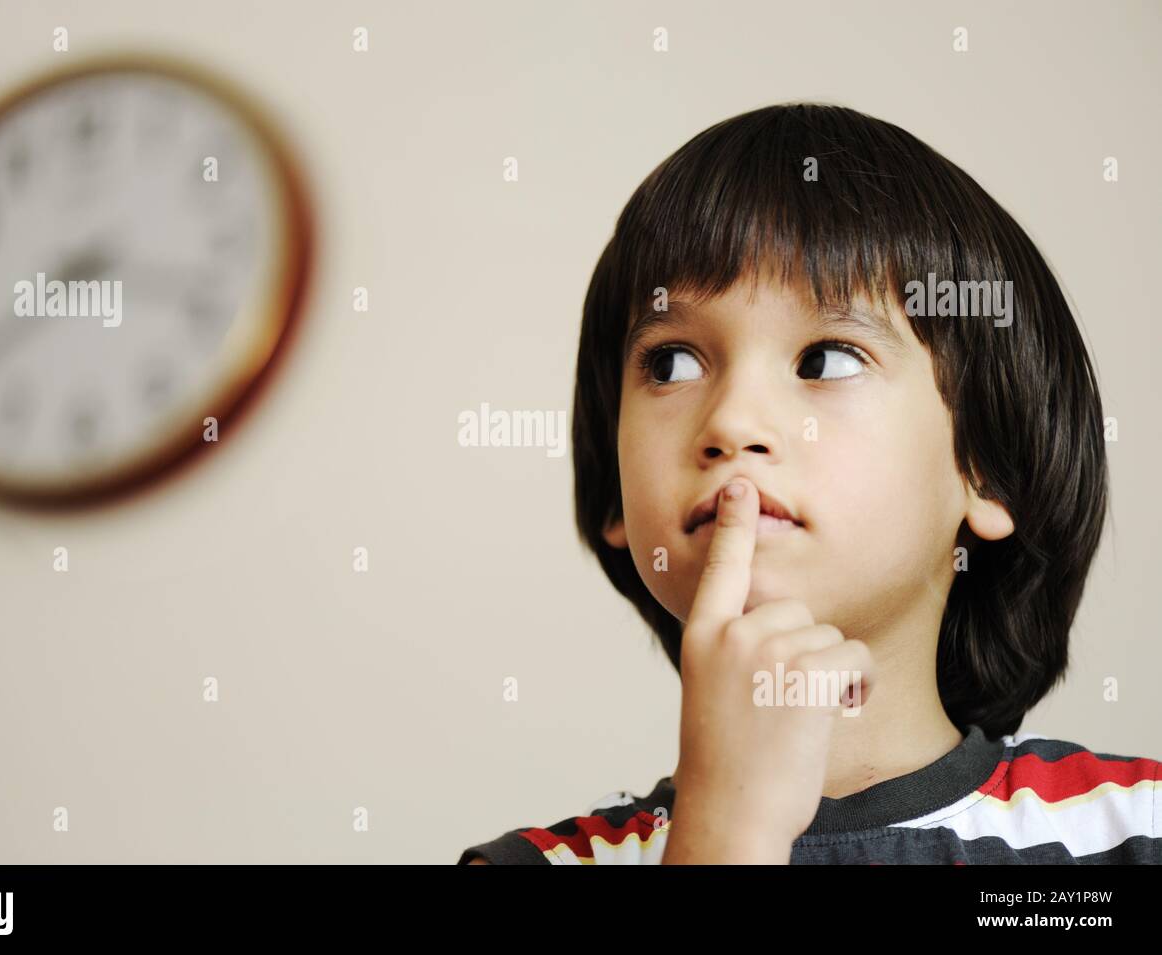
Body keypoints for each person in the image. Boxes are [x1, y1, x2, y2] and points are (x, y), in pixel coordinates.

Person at [459, 103, 1160, 864]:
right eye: (672, 364)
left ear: (985, 466)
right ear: (612, 492)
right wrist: (725, 839)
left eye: (825, 358)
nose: (731, 422)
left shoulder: (1134, 831)